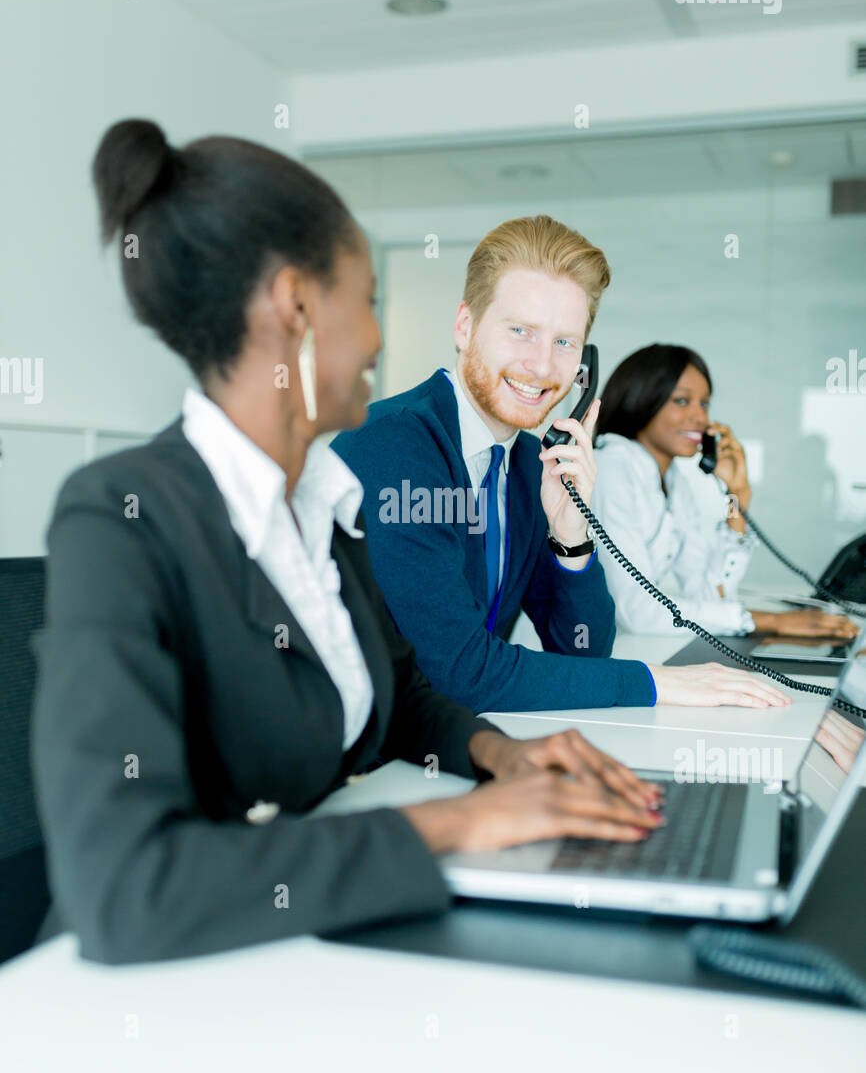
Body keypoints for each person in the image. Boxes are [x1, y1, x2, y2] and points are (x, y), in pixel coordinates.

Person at [31, 123, 669, 966]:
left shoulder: (319, 499)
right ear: (296, 311)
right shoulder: (123, 514)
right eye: (365, 302)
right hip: (167, 977)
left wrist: (503, 758)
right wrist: (459, 823)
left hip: (306, 926)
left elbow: (400, 689)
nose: (377, 339)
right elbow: (127, 884)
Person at [332, 215, 792, 713]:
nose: (543, 366)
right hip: (355, 762)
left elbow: (583, 648)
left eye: (565, 342)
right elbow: (458, 671)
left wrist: (570, 535)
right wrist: (655, 683)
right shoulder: (395, 444)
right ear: (465, 326)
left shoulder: (531, 463)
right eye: (521, 331)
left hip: (451, 741)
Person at [591, 344, 859, 641]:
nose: (700, 418)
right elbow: (635, 612)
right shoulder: (611, 469)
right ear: (641, 400)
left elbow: (711, 596)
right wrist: (766, 621)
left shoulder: (674, 482)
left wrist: (737, 497)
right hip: (575, 653)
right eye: (682, 401)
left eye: (704, 404)